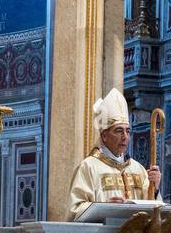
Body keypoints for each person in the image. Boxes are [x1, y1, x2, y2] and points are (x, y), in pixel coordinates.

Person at [68, 88, 162, 218]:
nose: (125, 137)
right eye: (119, 131)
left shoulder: (138, 169)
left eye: (127, 131)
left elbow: (152, 211)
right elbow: (75, 210)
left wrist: (155, 188)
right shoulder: (89, 167)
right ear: (104, 135)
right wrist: (105, 208)